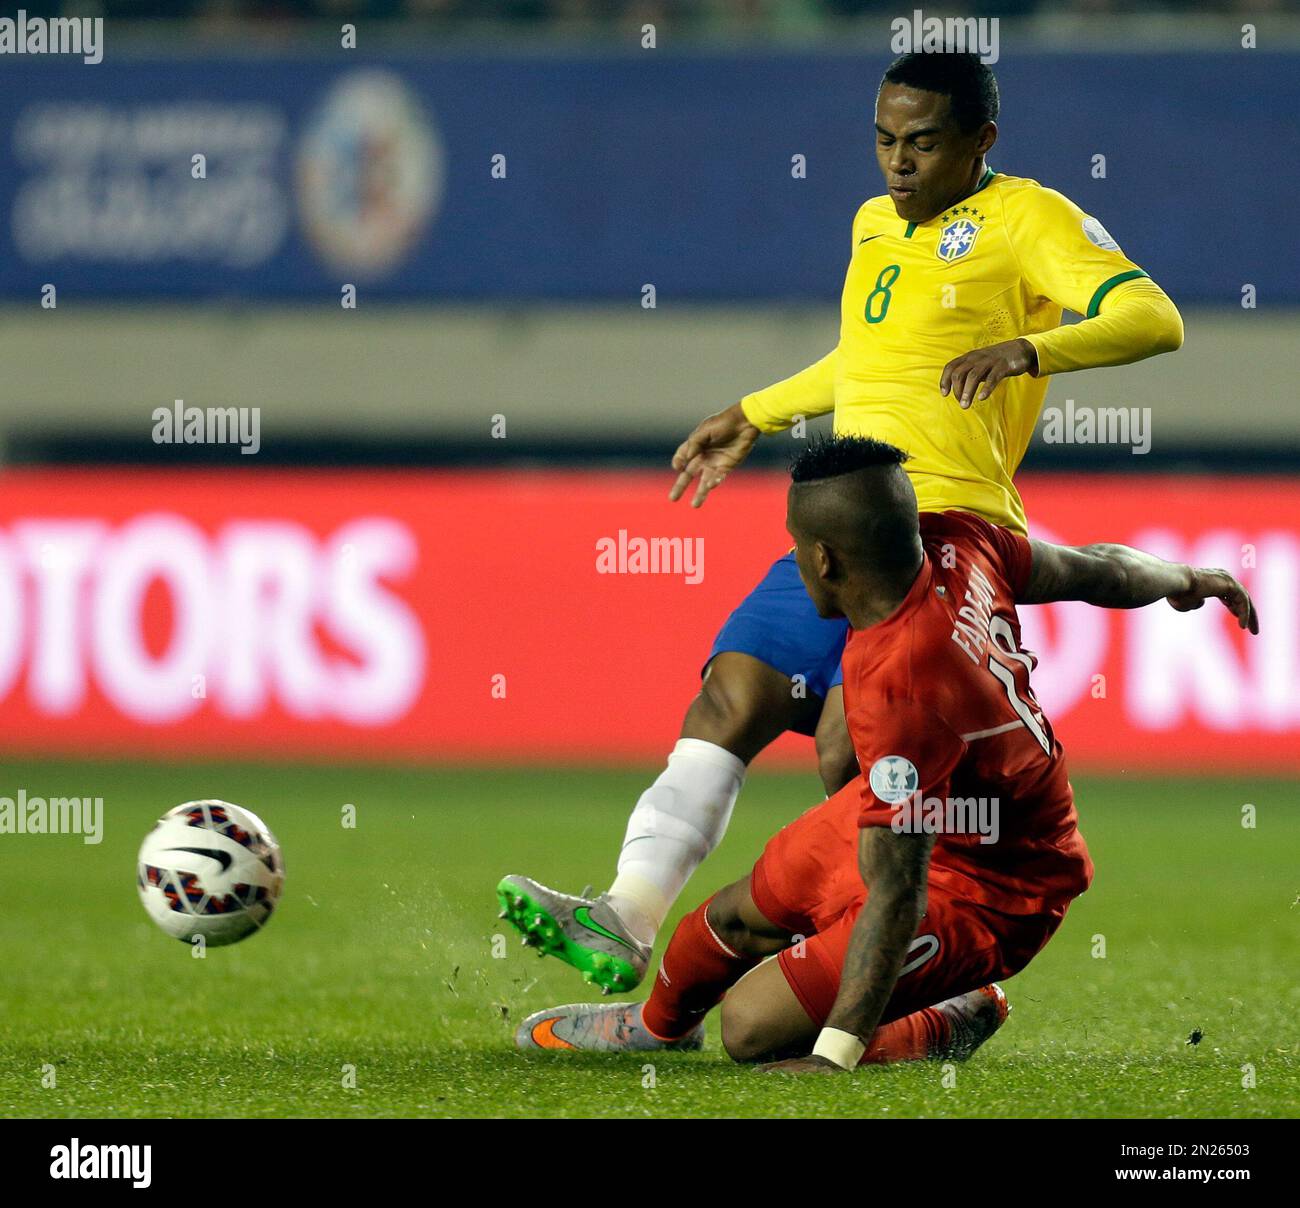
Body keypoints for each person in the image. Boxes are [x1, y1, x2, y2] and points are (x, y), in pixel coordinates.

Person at [498, 50, 1185, 994]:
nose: (898, 163)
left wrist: (1029, 347)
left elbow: (1153, 317)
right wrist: (756, 410)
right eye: (884, 140)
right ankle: (628, 914)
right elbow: (866, 358)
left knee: (849, 754)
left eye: (924, 143)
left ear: (981, 140)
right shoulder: (874, 223)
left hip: (942, 533)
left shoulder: (1030, 218)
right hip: (842, 525)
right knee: (732, 697)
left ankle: (893, 954)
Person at [515, 435, 1257, 1068]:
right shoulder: (961, 542)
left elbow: (898, 891)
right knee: (723, 925)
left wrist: (830, 1057)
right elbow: (1092, 568)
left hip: (994, 885)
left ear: (827, 561)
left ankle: (951, 1011)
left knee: (751, 1032)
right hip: (929, 814)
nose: (794, 564)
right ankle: (657, 1032)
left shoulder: (899, 691)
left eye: (797, 549)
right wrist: (1186, 578)